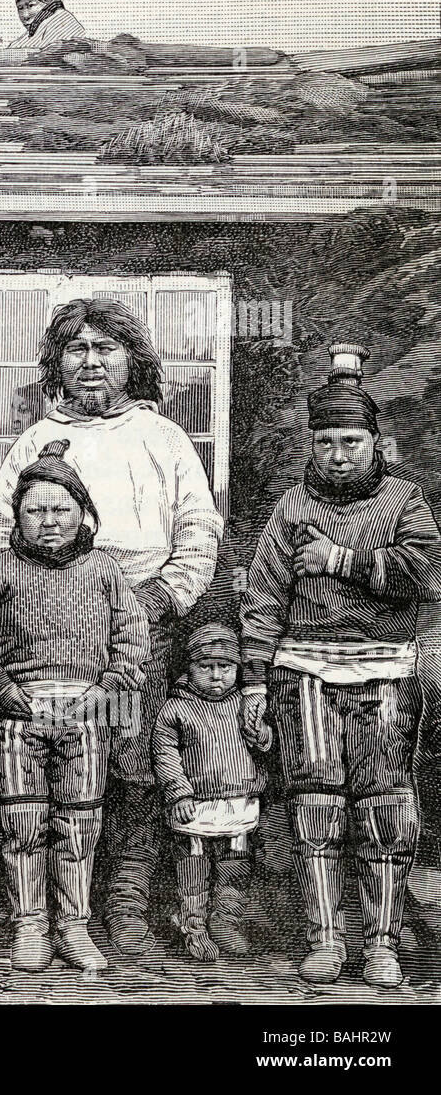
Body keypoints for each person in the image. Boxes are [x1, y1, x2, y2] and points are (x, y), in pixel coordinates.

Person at [0, 297, 223, 955]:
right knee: (56, 778)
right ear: (58, 362)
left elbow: (199, 530)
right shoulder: (36, 441)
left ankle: (127, 905)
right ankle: (57, 916)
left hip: (143, 626)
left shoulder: (163, 438)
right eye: (77, 349)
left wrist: (159, 598)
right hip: (50, 638)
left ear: (131, 361)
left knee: (137, 770)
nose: (91, 361)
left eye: (106, 349)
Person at [240, 344, 441, 988]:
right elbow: (266, 595)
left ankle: (381, 940)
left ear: (376, 439)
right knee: (317, 806)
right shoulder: (292, 507)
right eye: (326, 440)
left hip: (387, 669)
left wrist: (345, 560)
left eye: (351, 439)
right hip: (305, 671)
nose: (337, 453)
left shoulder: (406, 502)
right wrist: (251, 681)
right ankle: (326, 936)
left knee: (385, 807)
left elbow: (428, 573)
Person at [0, 441, 149, 972]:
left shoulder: (105, 571)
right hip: (15, 714)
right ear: (17, 516)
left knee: (80, 825)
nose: (49, 521)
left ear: (82, 513)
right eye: (35, 510)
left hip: (88, 715)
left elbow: (132, 642)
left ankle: (75, 923)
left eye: (60, 509)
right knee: (23, 823)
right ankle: (31, 923)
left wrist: (104, 691)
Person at [152, 624, 271, 963]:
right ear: (189, 667)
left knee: (235, 863)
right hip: (196, 803)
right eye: (206, 667)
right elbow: (165, 754)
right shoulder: (176, 710)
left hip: (239, 801)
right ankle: (194, 925)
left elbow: (268, 747)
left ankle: (226, 920)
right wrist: (179, 794)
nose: (217, 676)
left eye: (226, 667)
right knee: (194, 862)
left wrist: (260, 735)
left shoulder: (245, 705)